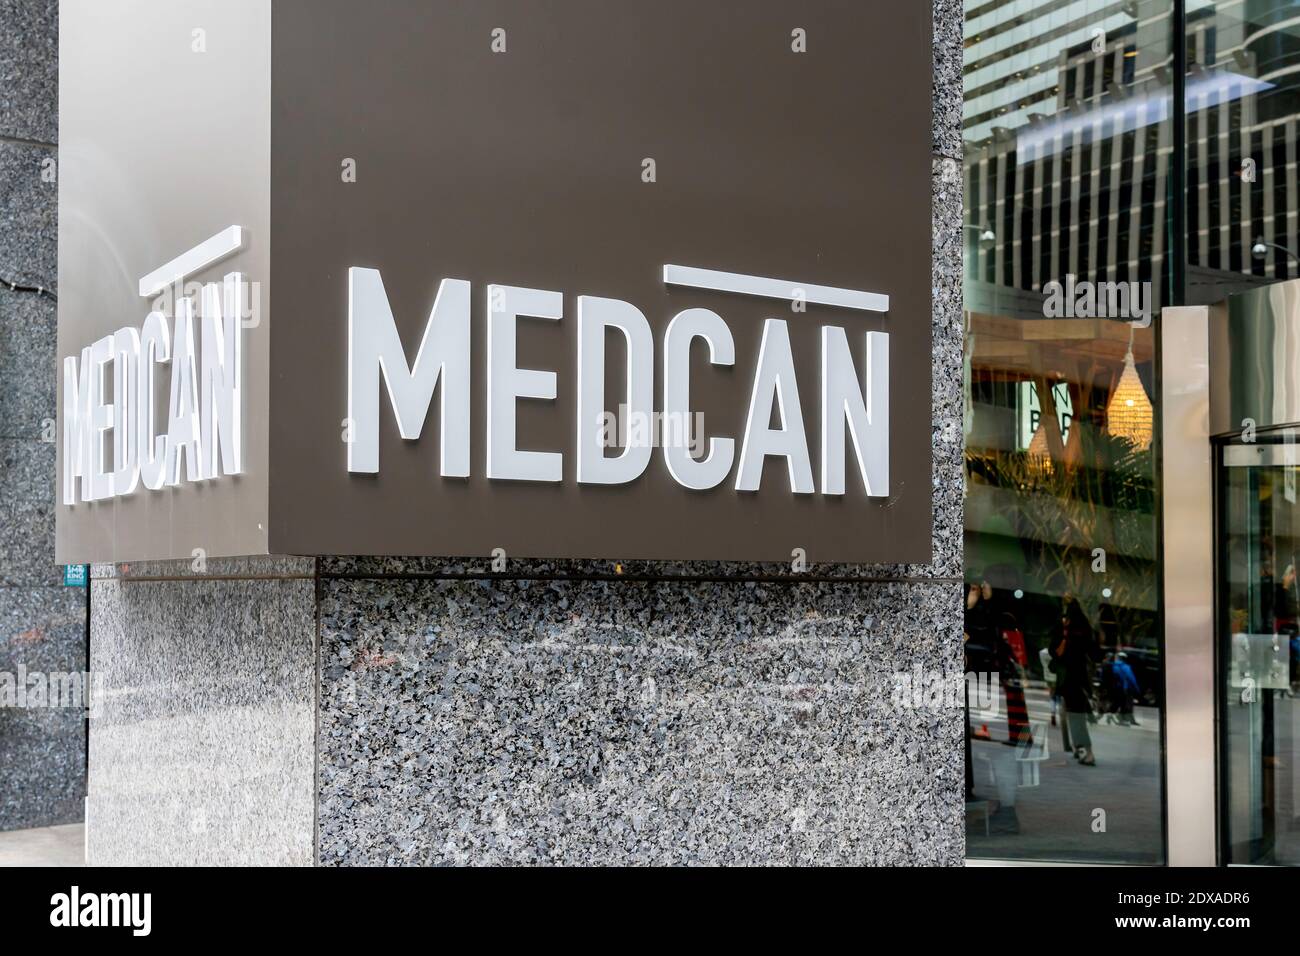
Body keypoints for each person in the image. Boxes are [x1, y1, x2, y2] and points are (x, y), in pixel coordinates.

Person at [1050, 595, 1098, 766]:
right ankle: (1080, 749)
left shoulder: (1070, 630)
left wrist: (1065, 635)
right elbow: (1094, 652)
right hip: (1078, 677)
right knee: (1074, 714)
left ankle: (1086, 751)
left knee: (1076, 715)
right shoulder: (1084, 627)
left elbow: (1056, 653)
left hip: (1071, 679)